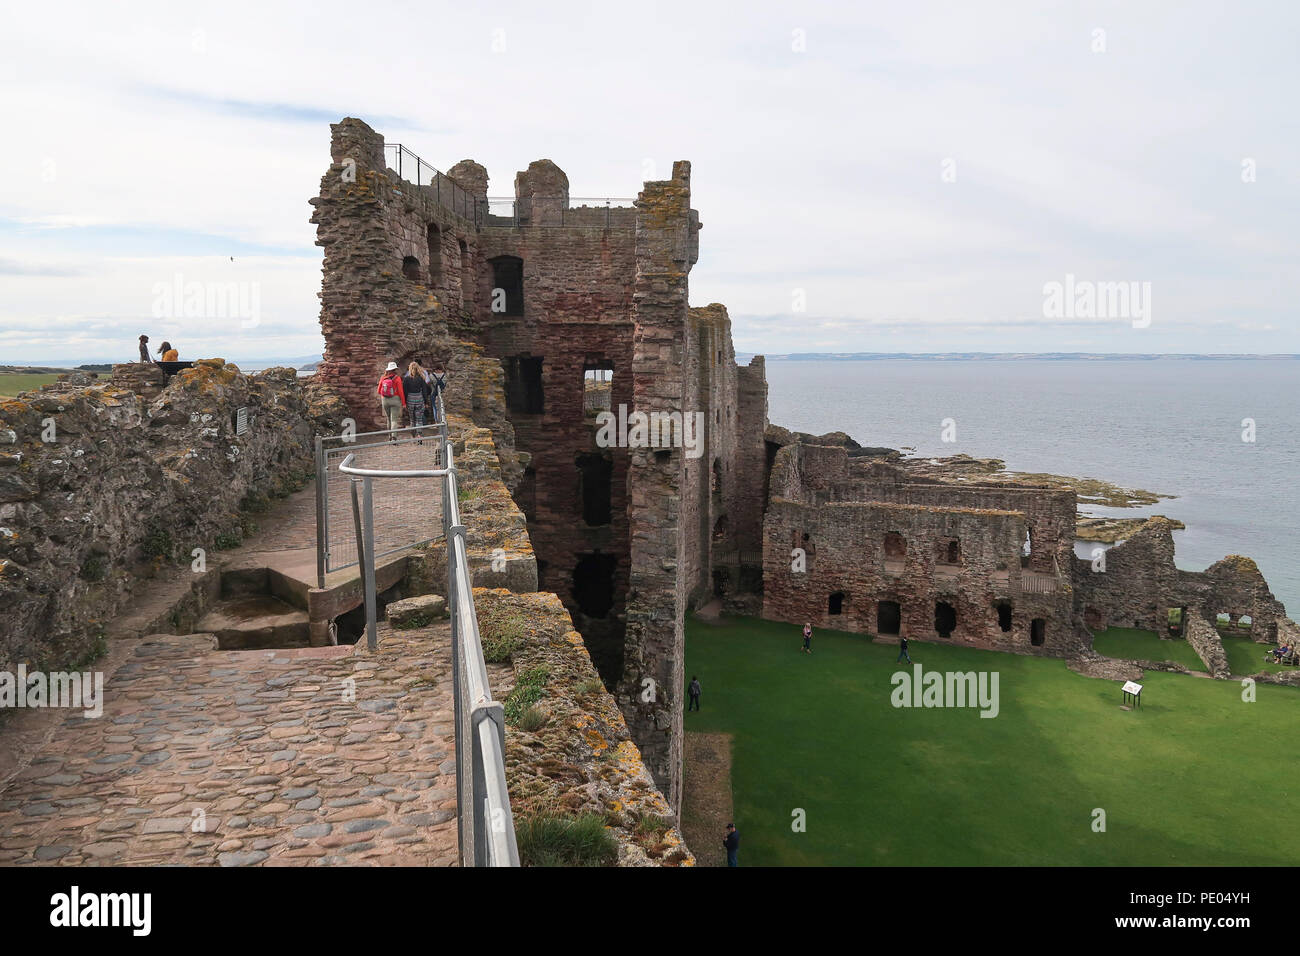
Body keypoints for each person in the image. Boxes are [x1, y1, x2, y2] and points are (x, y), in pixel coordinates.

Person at [402, 361, 431, 440]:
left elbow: (404, 391)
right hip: (419, 398)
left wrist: (404, 402)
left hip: (410, 399)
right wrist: (426, 402)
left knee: (412, 419)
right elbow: (425, 391)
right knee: (419, 419)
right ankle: (419, 435)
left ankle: (413, 434)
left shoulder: (406, 379)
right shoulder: (421, 378)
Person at [377, 362, 406, 437]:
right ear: (395, 369)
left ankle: (389, 436)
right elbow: (400, 391)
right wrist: (403, 403)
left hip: (385, 400)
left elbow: (378, 391)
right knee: (394, 420)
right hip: (395, 400)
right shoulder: (397, 378)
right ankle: (394, 438)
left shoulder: (383, 378)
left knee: (388, 419)